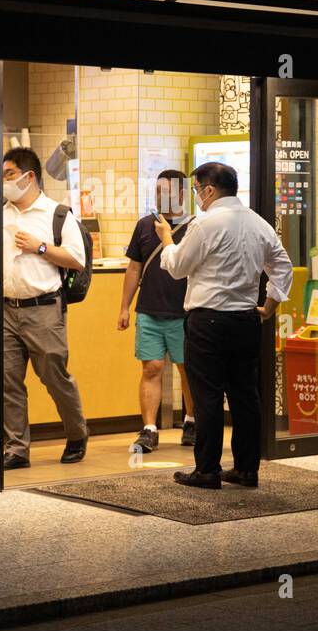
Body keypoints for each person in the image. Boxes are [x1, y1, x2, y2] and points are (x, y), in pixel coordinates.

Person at [156, 161, 292, 489]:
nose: (196, 197)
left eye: (197, 190)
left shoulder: (205, 225)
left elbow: (176, 267)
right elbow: (283, 267)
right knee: (246, 397)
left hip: (208, 322)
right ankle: (246, 469)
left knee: (208, 397)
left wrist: (166, 240)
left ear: (210, 190)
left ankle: (207, 470)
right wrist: (268, 307)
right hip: (246, 320)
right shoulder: (260, 224)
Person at [0, 147, 89, 468]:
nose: (4, 182)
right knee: (7, 380)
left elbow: (77, 259)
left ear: (29, 176)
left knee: (53, 376)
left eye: (8, 174)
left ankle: (77, 433)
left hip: (44, 309)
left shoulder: (58, 214)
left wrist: (40, 247)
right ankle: (17, 449)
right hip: (4, 310)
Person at [119, 169, 197, 452]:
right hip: (150, 311)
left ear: (180, 194)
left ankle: (191, 421)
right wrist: (124, 307)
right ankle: (149, 429)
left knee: (188, 369)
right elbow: (134, 268)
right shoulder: (144, 226)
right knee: (151, 368)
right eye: (157, 190)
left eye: (165, 190)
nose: (159, 195)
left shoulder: (195, 227)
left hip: (185, 312)